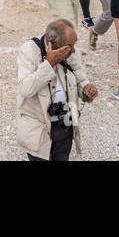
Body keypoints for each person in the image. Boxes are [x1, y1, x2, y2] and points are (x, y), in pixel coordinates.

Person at [16, 19, 97, 161]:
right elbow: (26, 88)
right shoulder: (29, 50)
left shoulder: (71, 53)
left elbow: (80, 79)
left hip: (64, 124)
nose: (73, 50)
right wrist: (49, 63)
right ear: (53, 43)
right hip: (38, 129)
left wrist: (87, 90)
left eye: (75, 44)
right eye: (69, 46)